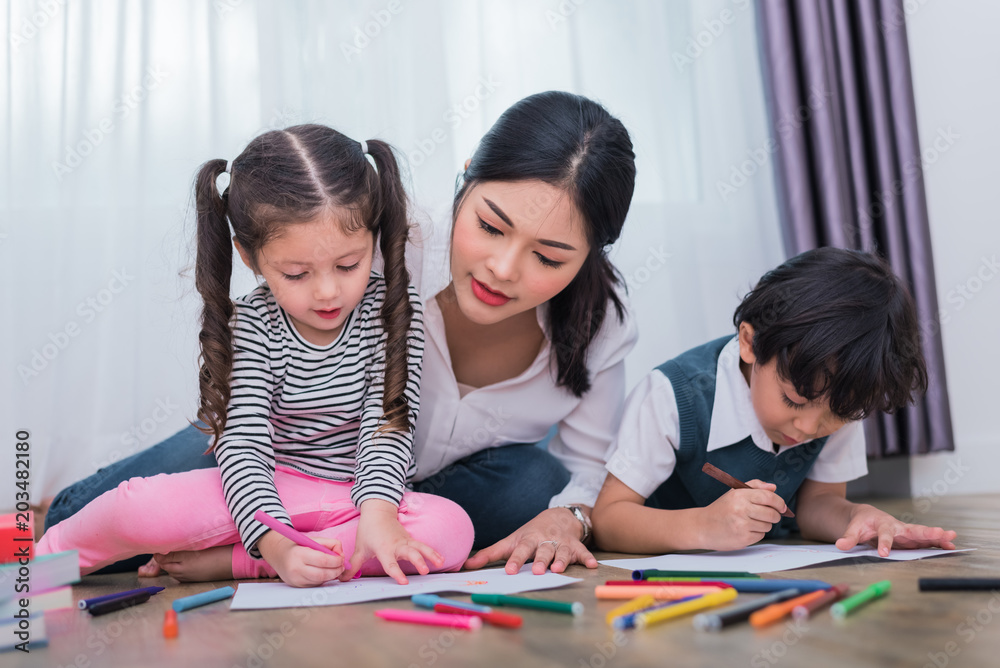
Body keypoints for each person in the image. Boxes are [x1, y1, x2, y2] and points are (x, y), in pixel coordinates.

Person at [45, 91, 639, 578]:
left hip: (398, 486)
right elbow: (249, 427)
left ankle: (256, 554)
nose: (503, 270)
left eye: (548, 257)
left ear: (592, 253)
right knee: (85, 525)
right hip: (279, 444)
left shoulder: (600, 324)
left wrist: (572, 518)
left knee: (533, 483)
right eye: (490, 227)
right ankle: (259, 542)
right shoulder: (376, 245)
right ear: (465, 178)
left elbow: (586, 465)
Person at [38, 124, 474, 586]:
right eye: (297, 274)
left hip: (365, 499)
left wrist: (380, 515)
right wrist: (276, 542)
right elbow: (244, 446)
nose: (328, 292)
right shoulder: (252, 324)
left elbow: (386, 427)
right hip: (268, 493)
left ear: (374, 237)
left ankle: (238, 561)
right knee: (137, 507)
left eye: (349, 265)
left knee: (449, 529)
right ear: (249, 257)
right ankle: (37, 569)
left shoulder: (393, 308)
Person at [592, 248, 958, 556]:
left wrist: (857, 518)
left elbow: (817, 505)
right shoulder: (671, 396)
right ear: (749, 343)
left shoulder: (841, 398)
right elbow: (608, 520)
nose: (808, 427)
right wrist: (703, 526)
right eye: (794, 399)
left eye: (836, 414)